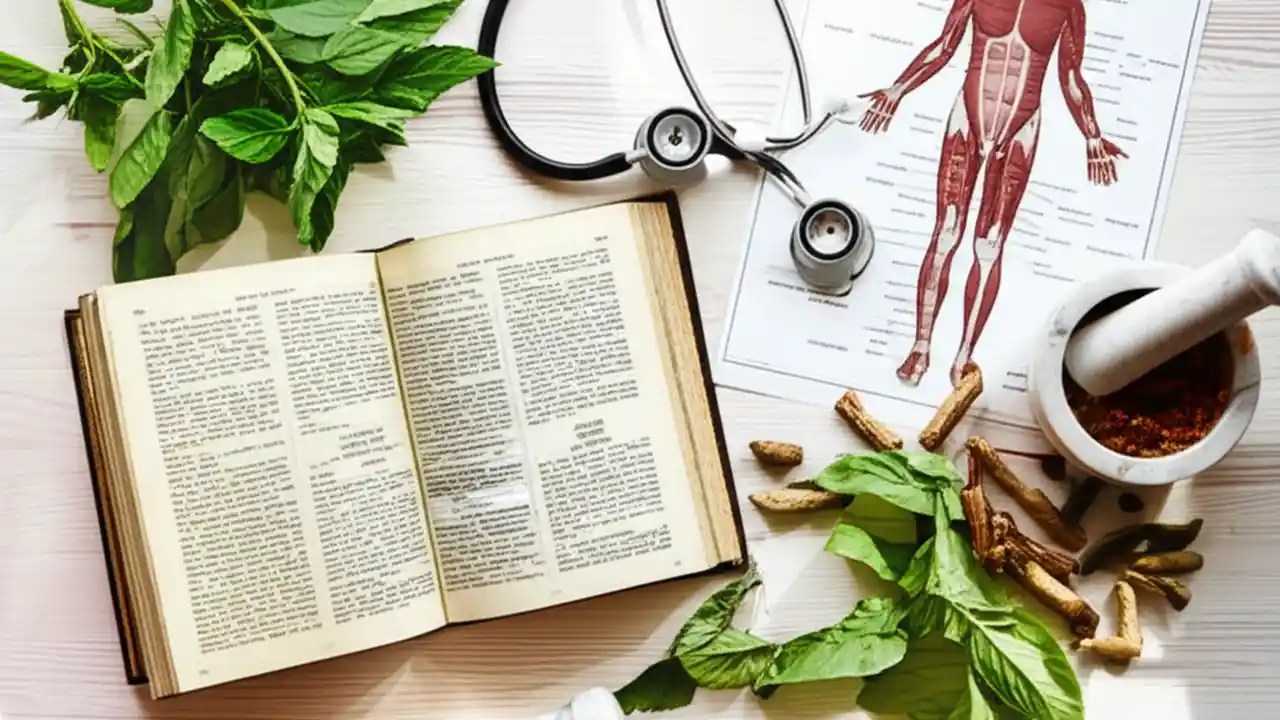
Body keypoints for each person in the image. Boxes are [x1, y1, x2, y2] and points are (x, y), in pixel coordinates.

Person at [859, 0, 1127, 386]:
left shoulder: (1067, 5)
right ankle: (921, 347)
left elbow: (1070, 75)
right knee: (947, 232)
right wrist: (898, 89)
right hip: (968, 116)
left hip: (1021, 127)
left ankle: (964, 357)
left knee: (990, 244)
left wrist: (1092, 135)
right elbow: (944, 46)